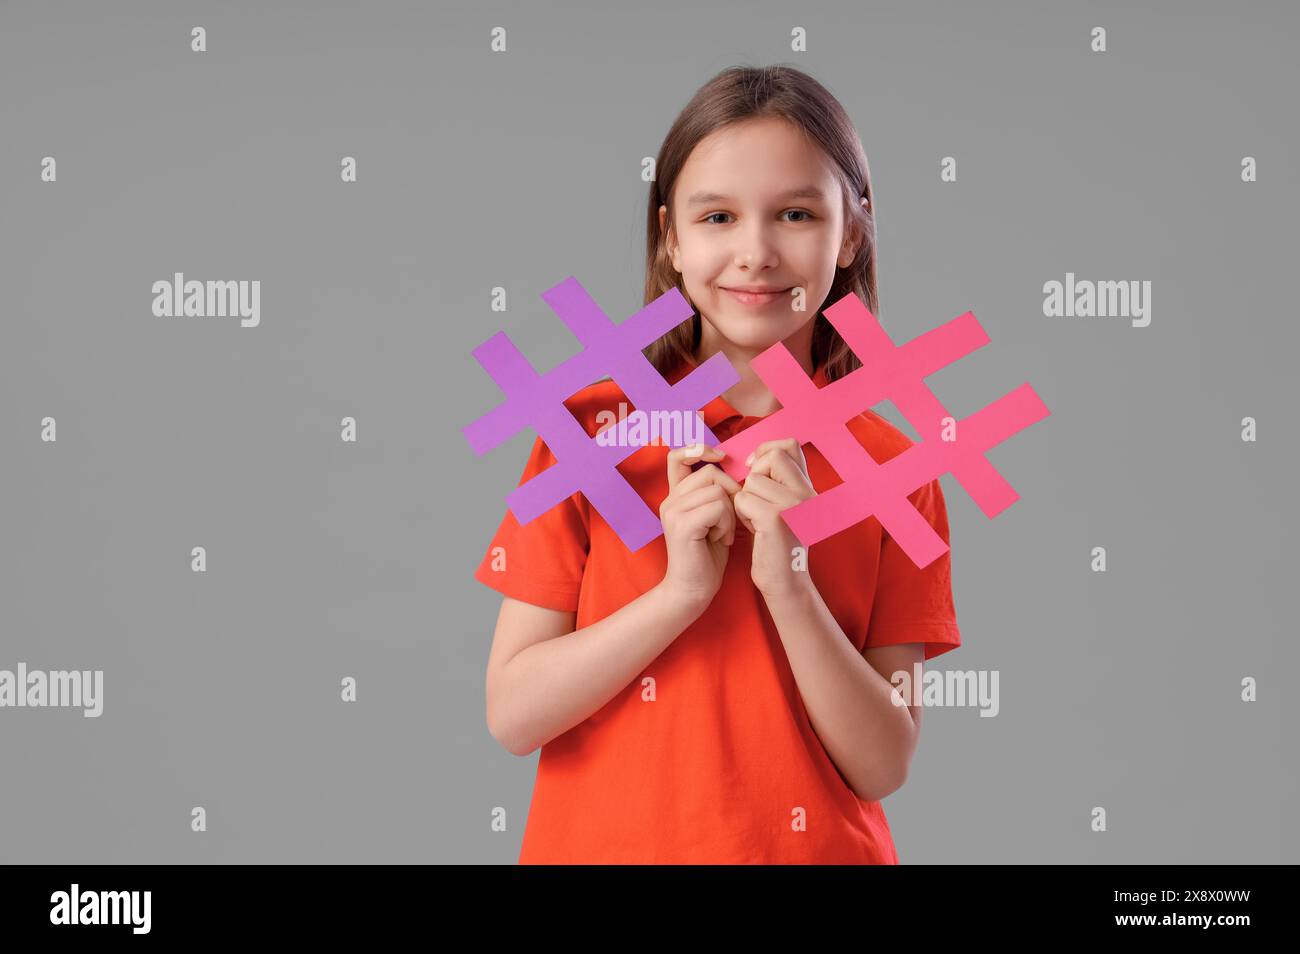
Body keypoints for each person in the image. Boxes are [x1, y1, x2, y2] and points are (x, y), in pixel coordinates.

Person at [475, 64, 961, 864]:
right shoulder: (590, 432)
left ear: (851, 234)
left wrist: (789, 583)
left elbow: (884, 762)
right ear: (671, 235)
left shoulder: (892, 467)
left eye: (796, 214)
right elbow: (513, 714)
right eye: (718, 217)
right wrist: (679, 596)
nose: (755, 252)